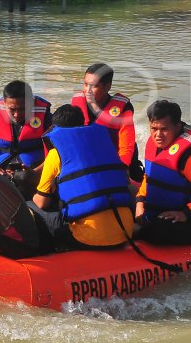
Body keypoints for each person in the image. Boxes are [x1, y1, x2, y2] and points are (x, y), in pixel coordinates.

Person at [30, 104, 134, 250]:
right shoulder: (106, 146)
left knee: (30, 206)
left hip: (88, 239)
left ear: (56, 129)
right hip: (125, 232)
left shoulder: (56, 153)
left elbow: (41, 203)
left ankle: (47, 253)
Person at [135, 99, 191, 246]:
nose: (158, 135)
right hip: (162, 211)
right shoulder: (155, 143)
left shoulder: (190, 155)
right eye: (153, 128)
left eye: (164, 129)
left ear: (177, 126)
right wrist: (139, 201)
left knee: (156, 233)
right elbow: (150, 176)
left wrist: (186, 214)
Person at [0, 80, 52, 195]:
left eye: (22, 109)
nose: (17, 114)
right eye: (12, 109)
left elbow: (56, 154)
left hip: (34, 172)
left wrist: (35, 173)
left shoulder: (47, 120)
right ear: (5, 104)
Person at [71, 62, 139, 179]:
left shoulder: (123, 109)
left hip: (115, 161)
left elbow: (126, 147)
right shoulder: (76, 105)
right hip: (86, 160)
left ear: (107, 87)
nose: (88, 90)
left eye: (94, 86)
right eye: (86, 84)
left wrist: (121, 169)